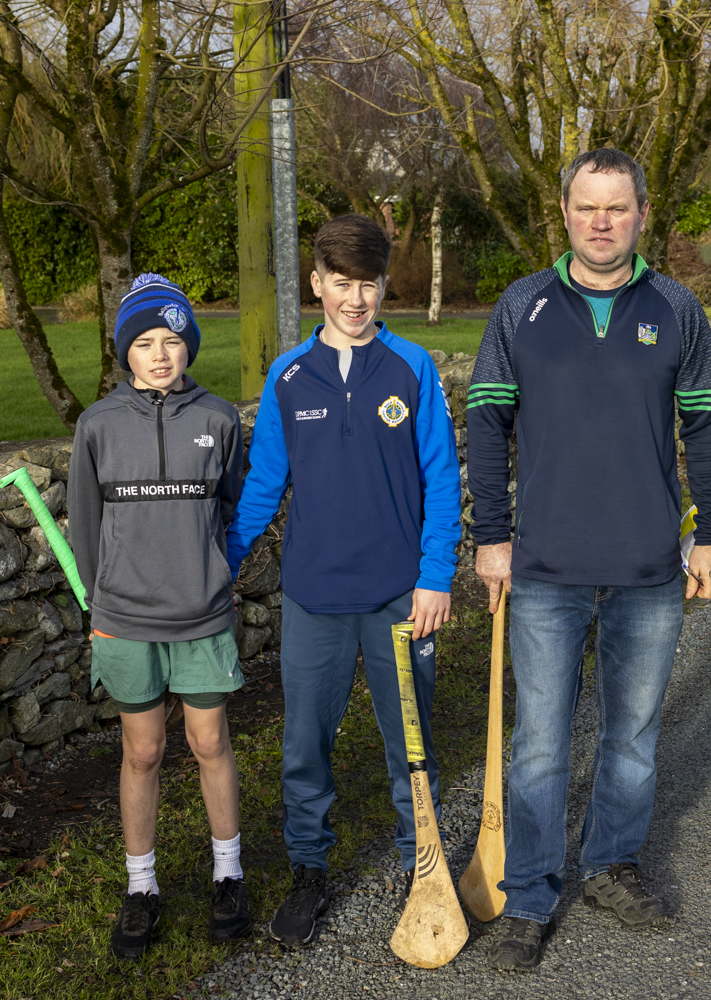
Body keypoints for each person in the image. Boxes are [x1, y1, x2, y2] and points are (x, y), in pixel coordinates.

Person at [467, 147, 711, 971]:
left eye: (618, 207)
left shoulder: (678, 310)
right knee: (541, 743)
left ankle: (611, 865)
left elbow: (705, 429)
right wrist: (495, 536)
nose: (602, 221)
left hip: (649, 566)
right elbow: (484, 422)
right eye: (588, 207)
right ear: (566, 212)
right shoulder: (522, 308)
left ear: (643, 213)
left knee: (632, 735)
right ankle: (532, 893)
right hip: (544, 566)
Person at [225, 213, 461, 948]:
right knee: (304, 746)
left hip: (399, 598)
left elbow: (443, 480)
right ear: (316, 283)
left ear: (384, 283)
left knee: (410, 746)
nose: (355, 299)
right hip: (315, 599)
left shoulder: (412, 368)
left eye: (368, 283)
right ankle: (308, 871)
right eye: (340, 283)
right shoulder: (289, 376)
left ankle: (421, 868)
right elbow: (264, 482)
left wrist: (435, 577)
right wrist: (217, 566)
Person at [68, 273, 251, 961]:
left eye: (173, 340)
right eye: (144, 342)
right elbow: (86, 527)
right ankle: (140, 886)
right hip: (125, 618)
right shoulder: (97, 426)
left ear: (188, 348)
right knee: (142, 751)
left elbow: (229, 508)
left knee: (209, 744)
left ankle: (227, 873)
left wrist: (213, 571)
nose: (160, 354)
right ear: (126, 352)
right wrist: (100, 602)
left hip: (200, 614)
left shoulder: (219, 420)